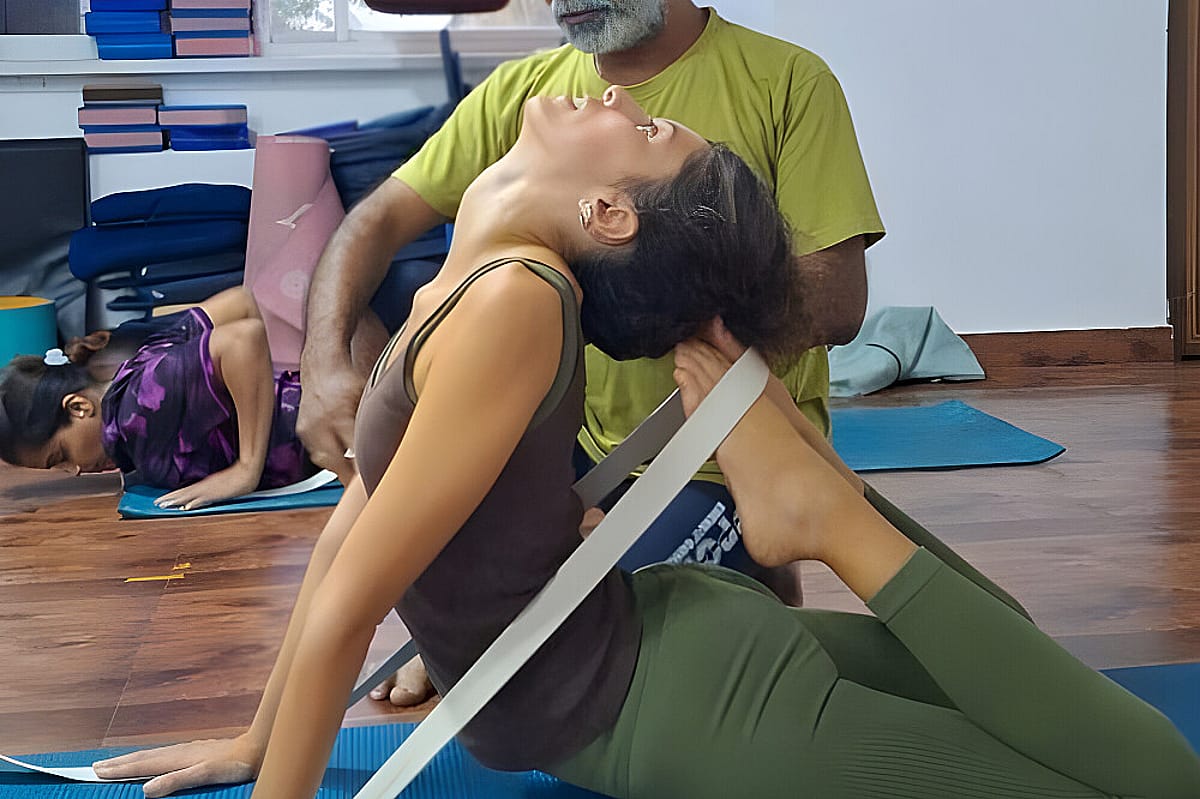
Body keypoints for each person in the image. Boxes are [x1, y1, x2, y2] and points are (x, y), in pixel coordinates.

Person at [92, 88, 1199, 799]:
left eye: (651, 131)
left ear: (612, 212)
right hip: (679, 666)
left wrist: (262, 762)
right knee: (1128, 756)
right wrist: (252, 742)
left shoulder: (508, 304)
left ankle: (820, 512)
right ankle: (816, 506)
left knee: (1135, 757)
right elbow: (349, 542)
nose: (621, 97)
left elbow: (348, 601)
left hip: (686, 684)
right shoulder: (475, 294)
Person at [303, 0, 884, 707]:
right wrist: (323, 364)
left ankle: (747, 559)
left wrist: (650, 295)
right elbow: (376, 218)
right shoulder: (539, 100)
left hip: (709, 461)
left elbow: (837, 302)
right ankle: (619, 554)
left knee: (565, 659)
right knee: (494, 616)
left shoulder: (789, 81)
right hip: (571, 446)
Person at [0, 287, 319, 511]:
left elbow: (243, 338)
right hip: (325, 416)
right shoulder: (131, 381)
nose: (76, 470)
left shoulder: (141, 404)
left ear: (79, 407)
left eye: (61, 456)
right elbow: (240, 302)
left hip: (328, 445)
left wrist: (245, 468)